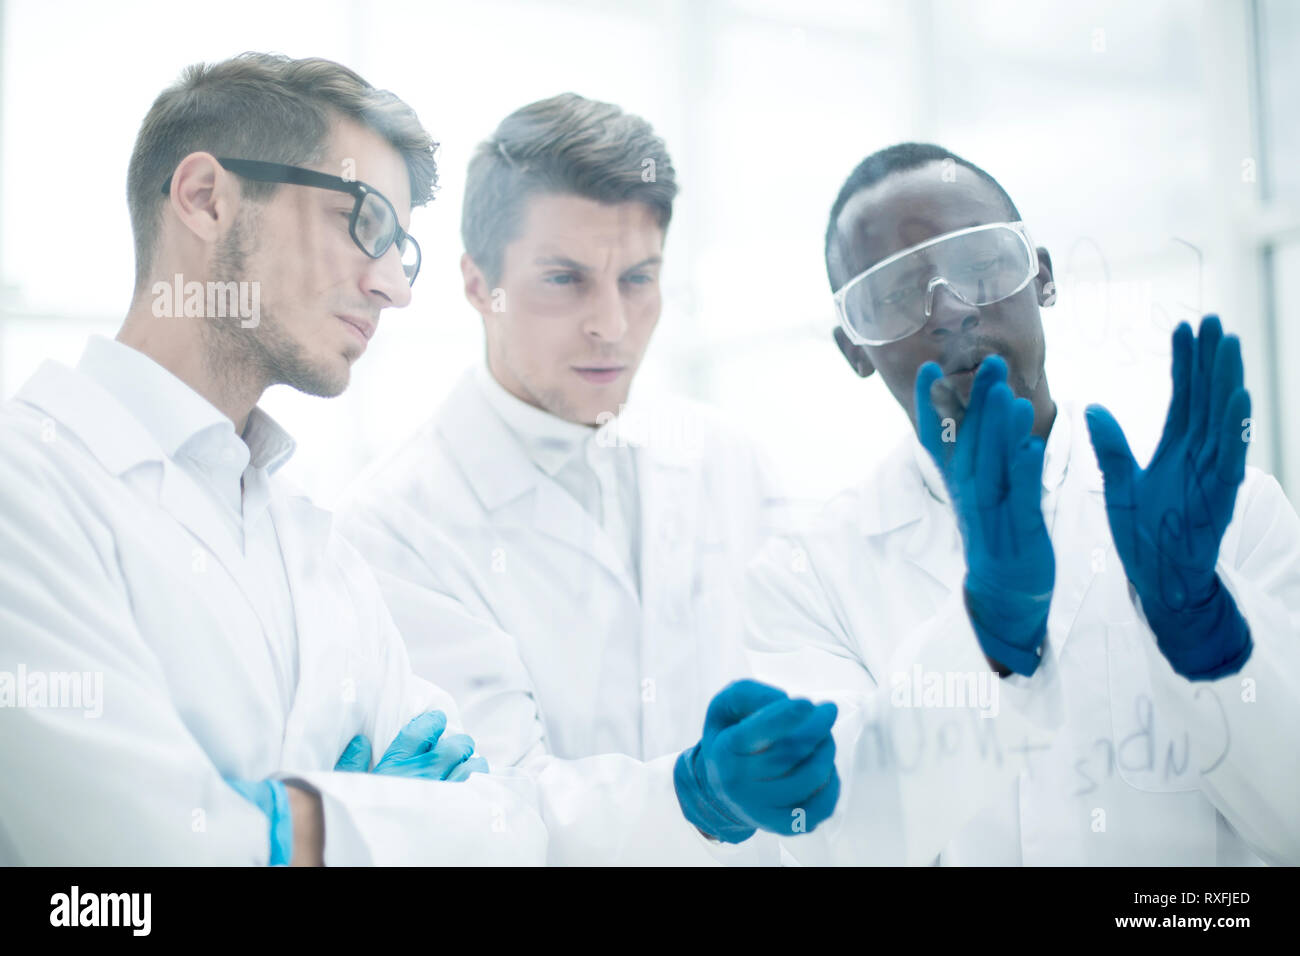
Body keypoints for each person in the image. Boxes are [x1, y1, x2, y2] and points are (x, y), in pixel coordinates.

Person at [0, 53, 549, 865]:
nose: (395, 286)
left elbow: (504, 827)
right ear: (207, 199)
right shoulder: (28, 482)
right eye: (364, 222)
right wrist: (356, 825)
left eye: (404, 248)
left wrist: (289, 829)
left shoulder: (316, 550)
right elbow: (130, 865)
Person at [743, 142, 1300, 865]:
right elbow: (828, 844)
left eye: (980, 269)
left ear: (1042, 278)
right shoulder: (806, 577)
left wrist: (1201, 622)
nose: (948, 312)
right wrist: (984, 639)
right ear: (854, 348)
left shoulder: (1233, 516)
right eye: (895, 296)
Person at [339, 93, 839, 862]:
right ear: (478, 284)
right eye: (564, 280)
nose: (611, 323)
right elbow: (495, 809)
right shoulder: (393, 527)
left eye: (638, 278)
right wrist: (695, 793)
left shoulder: (727, 462)